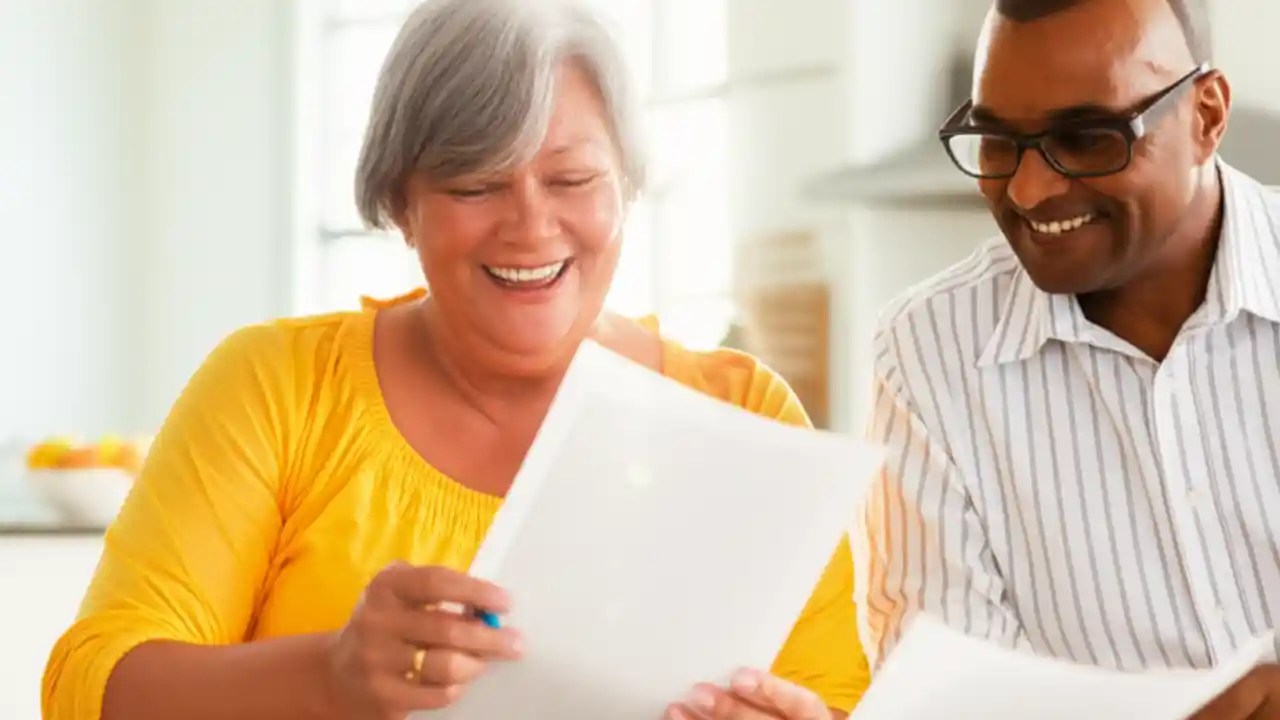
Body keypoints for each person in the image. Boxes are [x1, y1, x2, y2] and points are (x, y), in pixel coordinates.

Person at [41, 1, 868, 718]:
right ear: (401, 202)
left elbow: (838, 698)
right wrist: (328, 680)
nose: (530, 228)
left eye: (574, 179)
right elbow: (90, 685)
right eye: (475, 186)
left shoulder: (744, 416)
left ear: (630, 185)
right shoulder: (277, 386)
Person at [854, 0, 1280, 717]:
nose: (1029, 190)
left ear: (1206, 116)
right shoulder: (927, 358)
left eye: (1087, 138)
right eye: (996, 142)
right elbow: (949, 705)